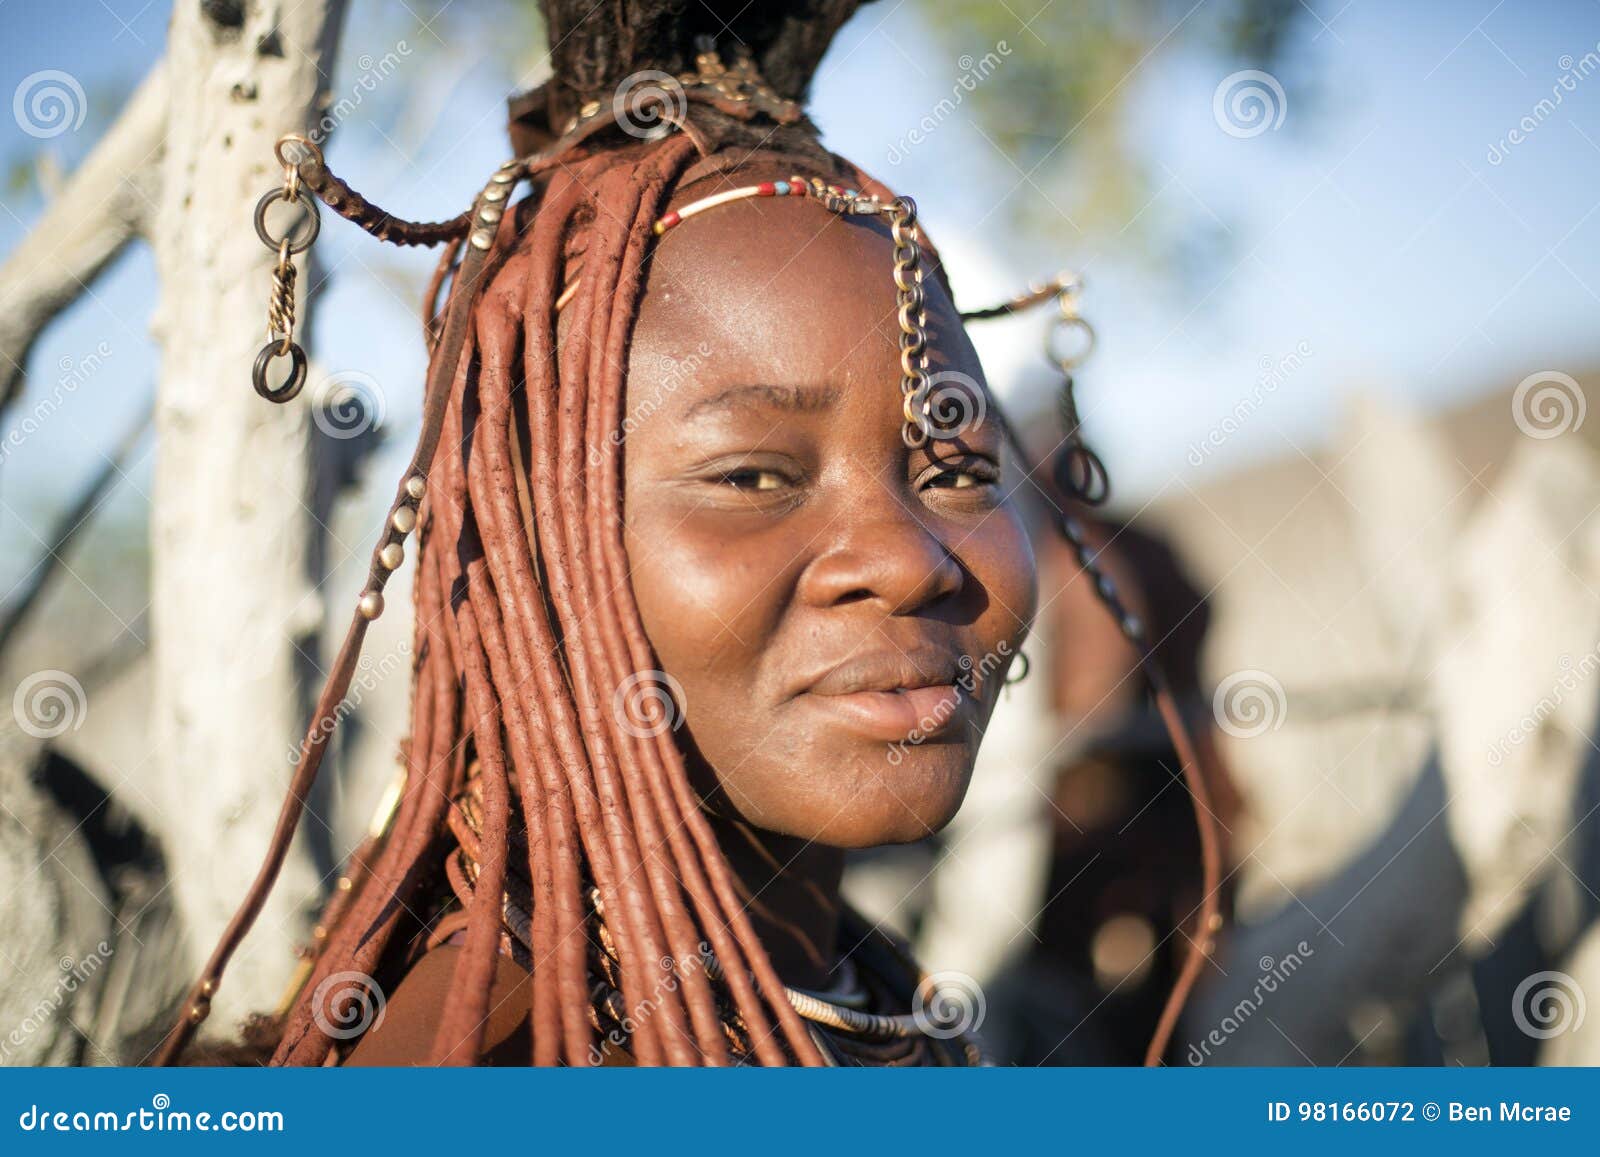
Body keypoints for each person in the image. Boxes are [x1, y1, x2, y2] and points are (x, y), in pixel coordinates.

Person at [156, 0, 1218, 1068]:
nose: (905, 559)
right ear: (530, 546)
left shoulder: (840, 979)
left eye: (953, 469)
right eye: (752, 474)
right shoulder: (485, 1054)